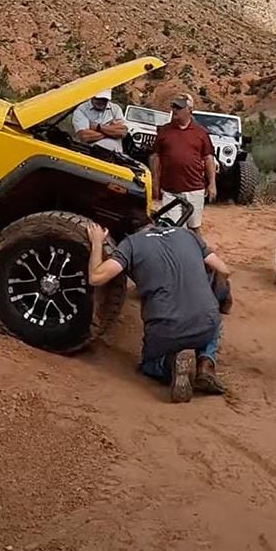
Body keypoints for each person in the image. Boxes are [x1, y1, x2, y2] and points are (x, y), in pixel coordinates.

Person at [86, 220, 230, 403]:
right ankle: (206, 363)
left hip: (165, 329)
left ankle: (168, 364)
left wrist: (97, 242)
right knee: (210, 318)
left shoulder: (131, 244)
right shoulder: (188, 235)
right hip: (205, 323)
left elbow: (96, 278)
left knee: (148, 364)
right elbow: (224, 270)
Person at [150, 93, 216, 234]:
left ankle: (198, 254)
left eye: (179, 107)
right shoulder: (164, 131)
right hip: (170, 190)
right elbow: (155, 157)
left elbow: (208, 158)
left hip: (194, 189)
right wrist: (155, 181)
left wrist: (212, 184)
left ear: (189, 110)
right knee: (171, 229)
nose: (174, 110)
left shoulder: (201, 133)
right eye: (173, 106)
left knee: (194, 229)